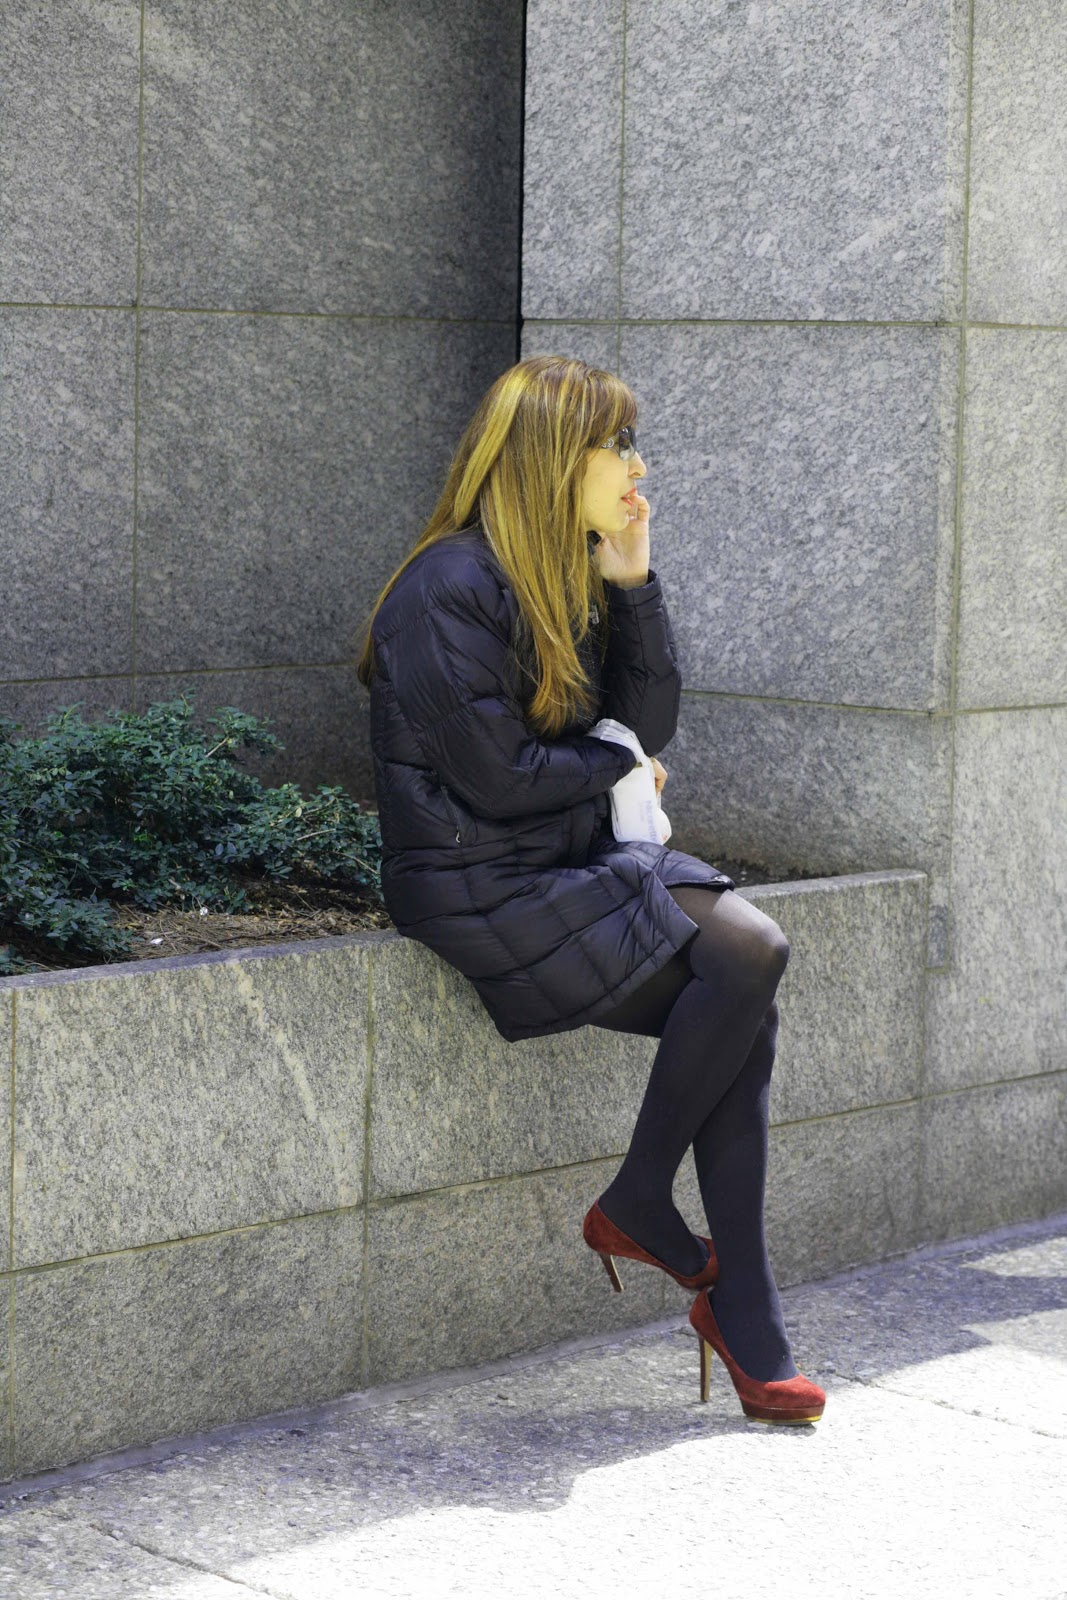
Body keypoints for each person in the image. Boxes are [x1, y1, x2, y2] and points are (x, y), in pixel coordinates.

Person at [355, 355, 824, 1425]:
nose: (634, 467)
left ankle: (730, 1303)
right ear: (552, 458)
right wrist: (614, 764)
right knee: (747, 957)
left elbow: (645, 720)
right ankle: (670, 1234)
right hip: (483, 880)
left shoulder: (563, 568)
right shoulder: (446, 590)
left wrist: (632, 583)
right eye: (615, 445)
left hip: (558, 856)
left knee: (741, 997)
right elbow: (496, 779)